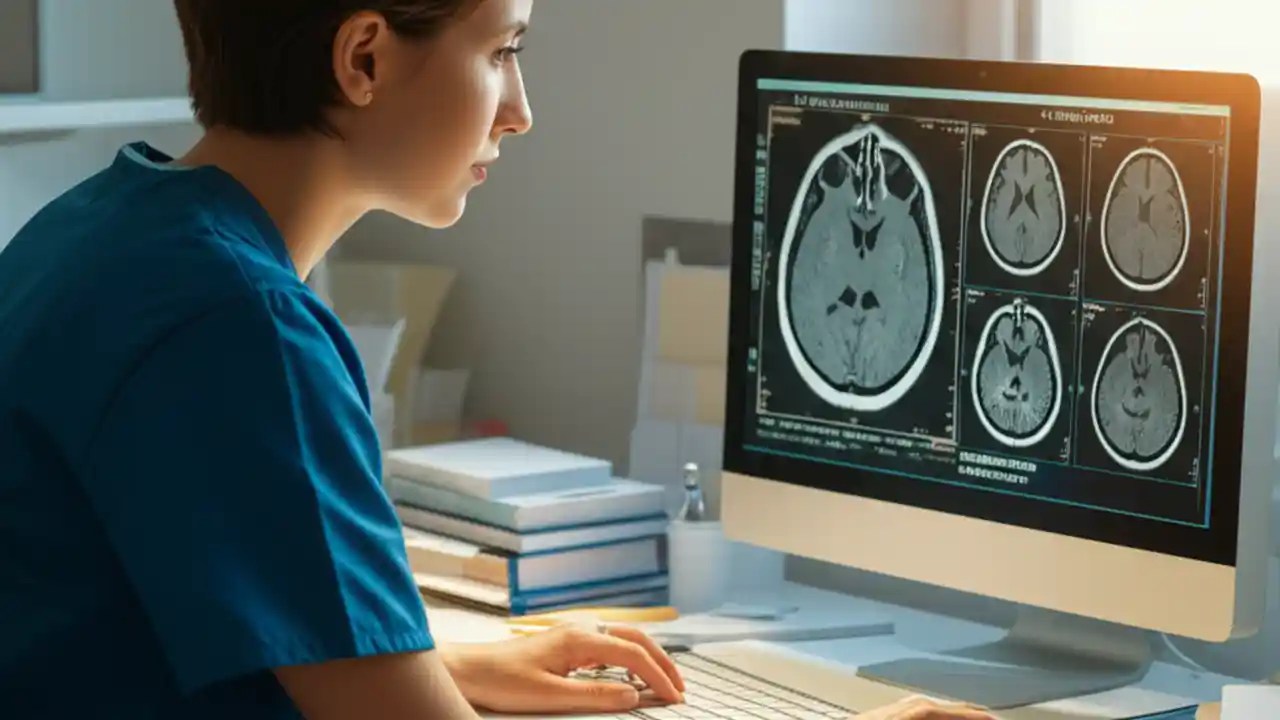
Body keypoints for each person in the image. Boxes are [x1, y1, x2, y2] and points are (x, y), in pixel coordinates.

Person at [0, 1, 997, 718]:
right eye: (502, 51)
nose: (520, 109)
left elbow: (144, 626)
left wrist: (444, 664)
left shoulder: (97, 230)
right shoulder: (241, 329)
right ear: (363, 59)